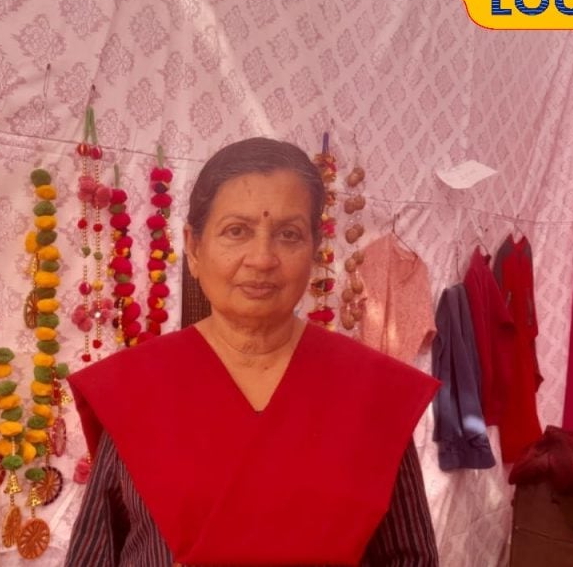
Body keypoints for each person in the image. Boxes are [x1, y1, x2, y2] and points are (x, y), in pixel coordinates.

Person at [67, 138, 440, 566]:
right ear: (193, 246)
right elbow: (94, 556)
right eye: (236, 231)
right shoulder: (135, 388)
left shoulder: (373, 394)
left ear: (315, 249)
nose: (262, 259)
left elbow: (408, 558)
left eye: (288, 234)